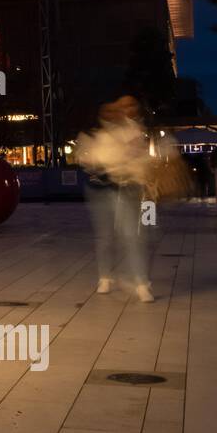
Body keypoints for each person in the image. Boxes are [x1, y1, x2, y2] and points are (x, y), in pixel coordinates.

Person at [75, 95, 155, 302]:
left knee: (131, 235)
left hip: (125, 187)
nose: (112, 114)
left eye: (115, 110)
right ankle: (105, 277)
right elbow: (85, 158)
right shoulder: (92, 134)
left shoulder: (129, 130)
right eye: (108, 111)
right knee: (104, 236)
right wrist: (101, 161)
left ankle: (140, 282)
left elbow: (139, 157)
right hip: (99, 188)